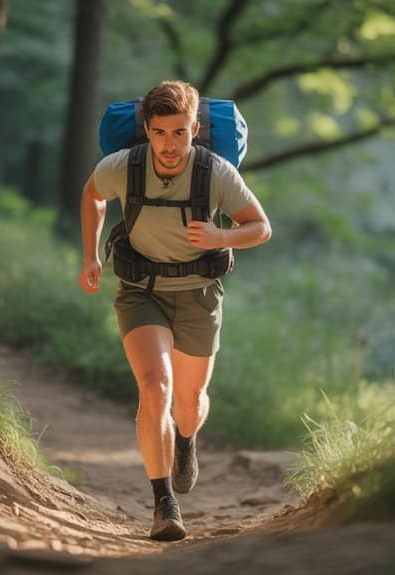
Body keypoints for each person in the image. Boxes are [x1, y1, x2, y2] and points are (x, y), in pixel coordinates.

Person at [78, 80, 272, 541]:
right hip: (140, 290)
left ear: (195, 128)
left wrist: (223, 236)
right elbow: (93, 196)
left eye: (180, 133)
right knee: (155, 386)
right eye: (161, 133)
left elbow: (260, 227)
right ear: (146, 129)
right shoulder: (124, 166)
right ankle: (164, 503)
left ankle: (186, 440)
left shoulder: (216, 173)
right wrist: (90, 254)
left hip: (199, 296)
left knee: (188, 403)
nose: (170, 145)